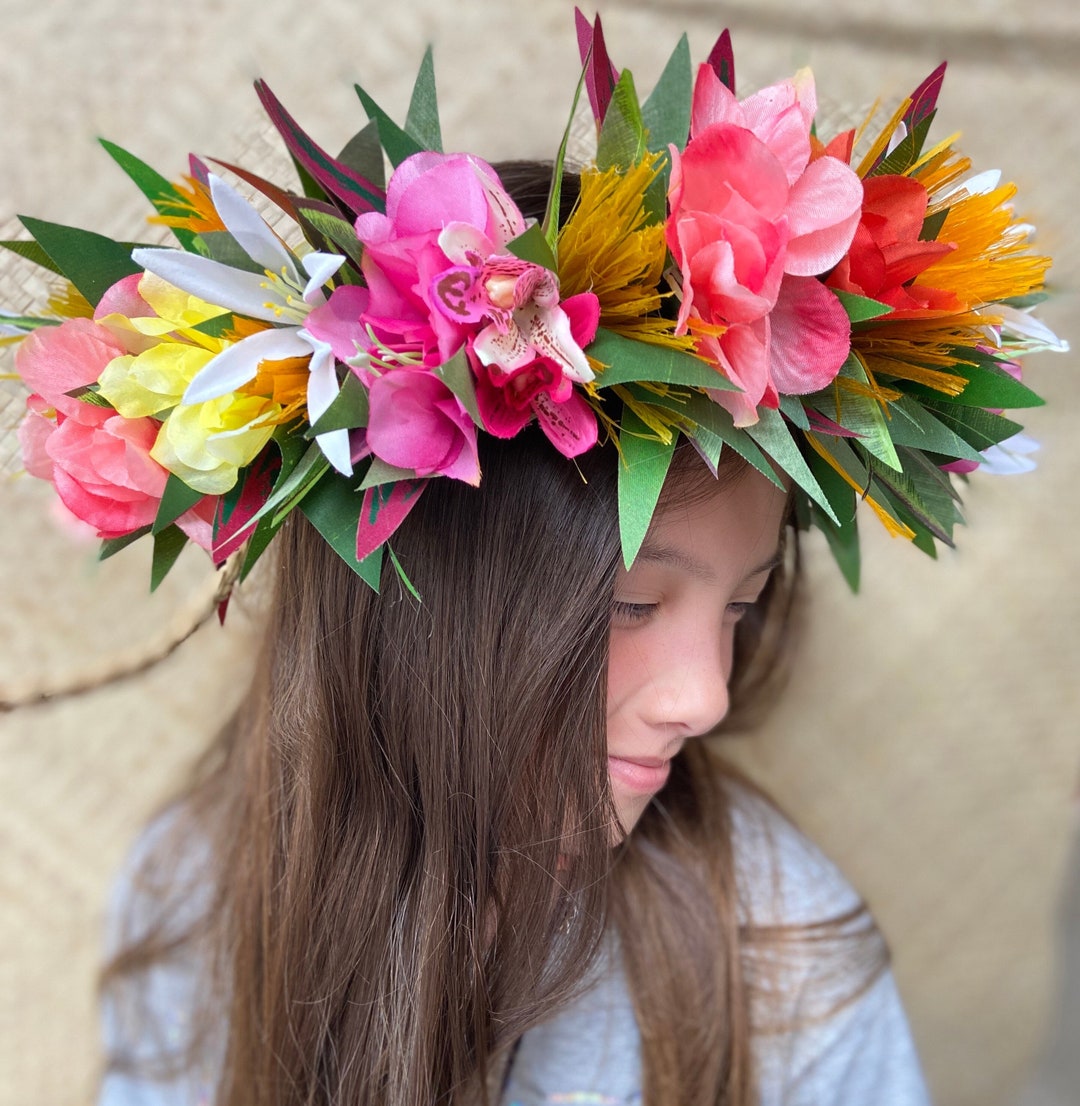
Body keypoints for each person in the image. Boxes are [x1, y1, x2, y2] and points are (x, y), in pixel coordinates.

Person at [5, 12, 1063, 1106]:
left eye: (739, 610)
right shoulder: (193, 895)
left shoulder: (784, 961)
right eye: (634, 604)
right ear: (414, 612)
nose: (705, 694)